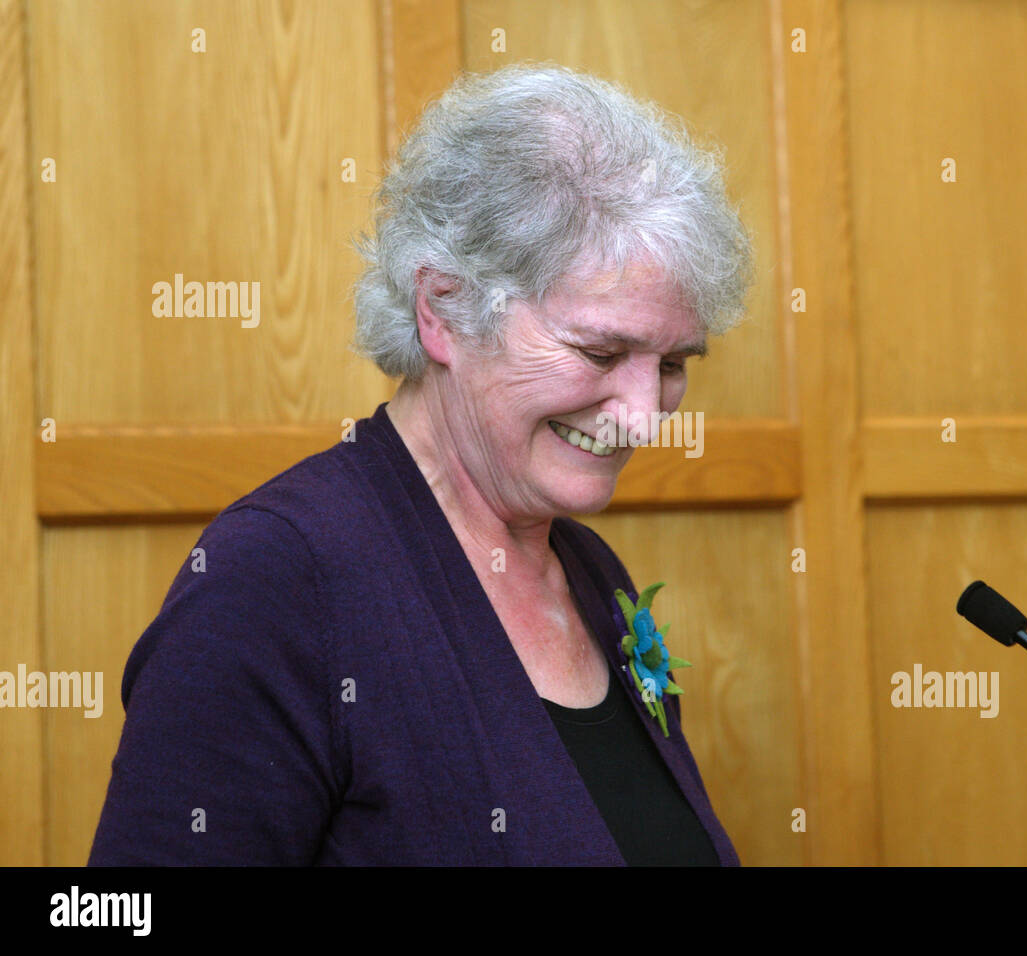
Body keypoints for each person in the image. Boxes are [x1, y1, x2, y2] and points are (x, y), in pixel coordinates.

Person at [87, 61, 755, 865]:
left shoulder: (588, 569)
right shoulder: (272, 580)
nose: (646, 415)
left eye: (675, 363)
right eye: (600, 350)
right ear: (442, 310)